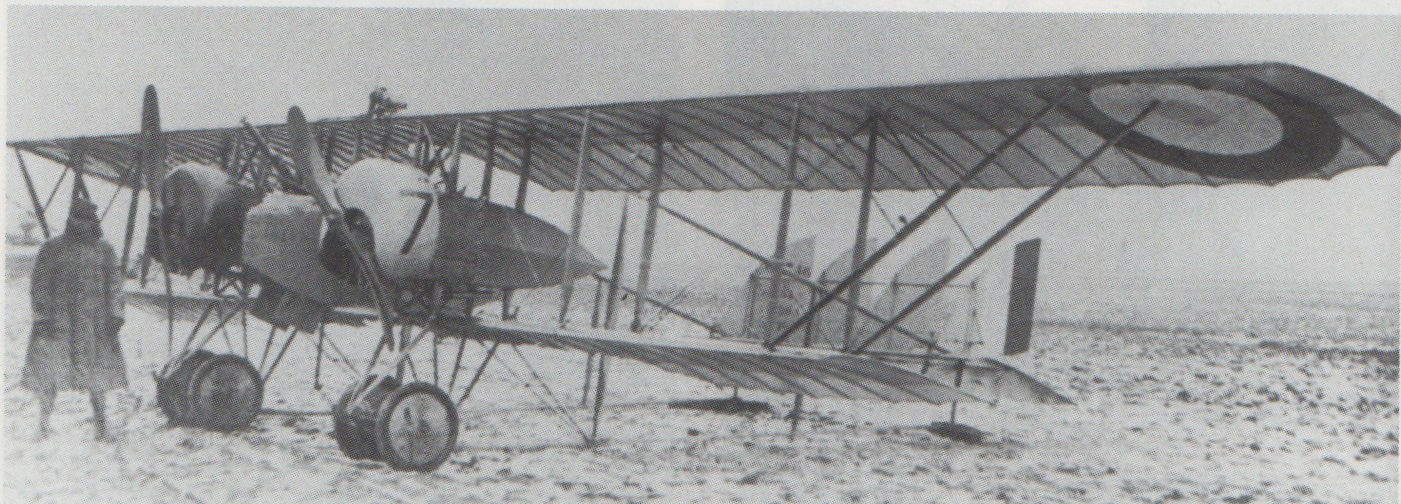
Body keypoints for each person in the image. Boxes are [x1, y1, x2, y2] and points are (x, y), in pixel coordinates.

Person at [21, 197, 128, 441]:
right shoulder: (52, 248)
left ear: (93, 223)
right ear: (70, 220)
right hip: (58, 323)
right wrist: (41, 315)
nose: (81, 225)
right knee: (49, 374)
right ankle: (43, 425)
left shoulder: (105, 249)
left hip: (95, 323)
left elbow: (115, 283)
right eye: (76, 219)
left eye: (86, 221)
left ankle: (101, 426)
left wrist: (116, 313)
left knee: (97, 376)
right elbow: (39, 284)